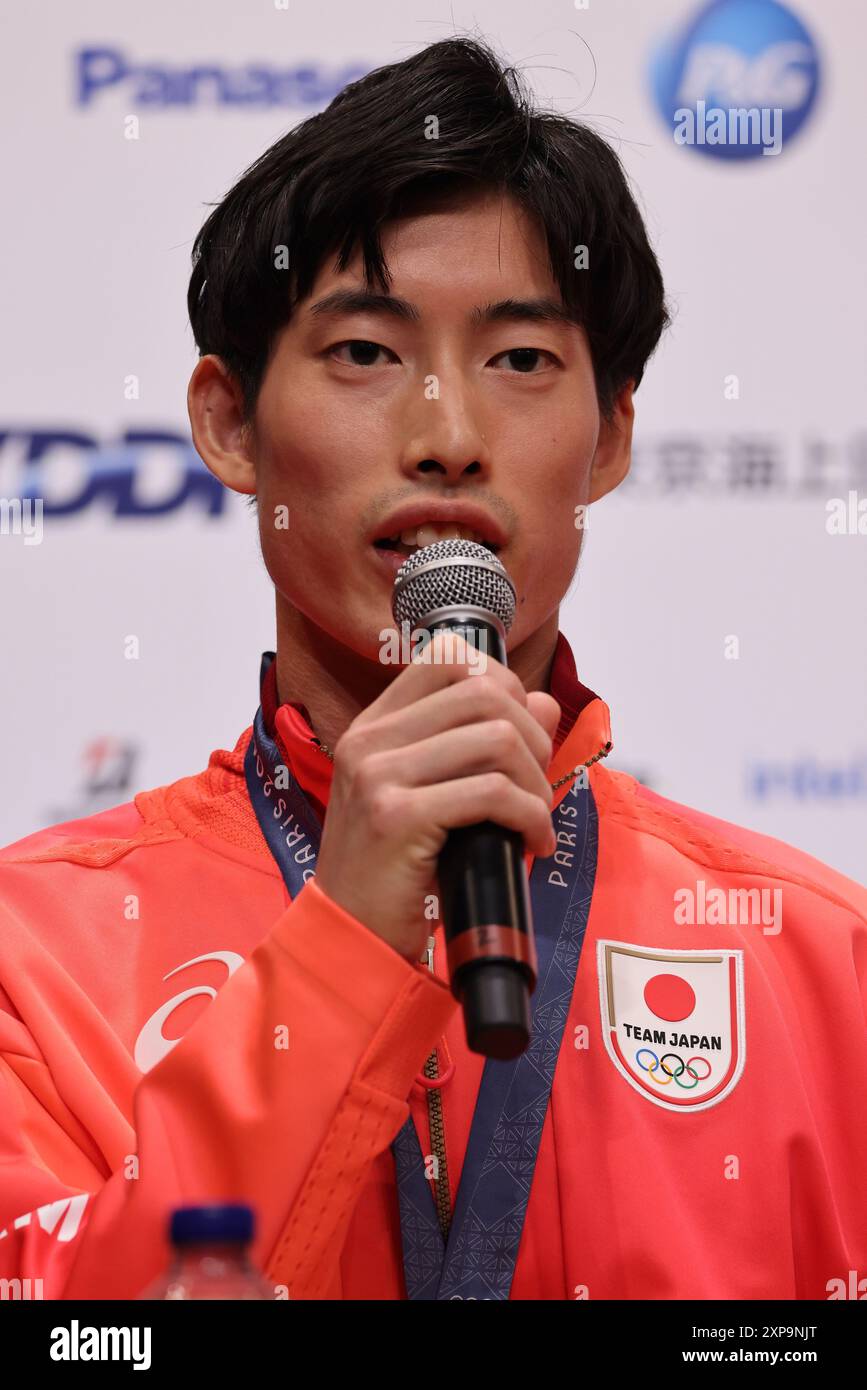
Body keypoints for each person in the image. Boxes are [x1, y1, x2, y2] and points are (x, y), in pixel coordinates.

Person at [1, 36, 864, 1303]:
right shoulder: (35, 956)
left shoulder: (820, 965)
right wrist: (342, 942)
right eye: (365, 353)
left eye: (521, 361)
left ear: (613, 434)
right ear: (229, 423)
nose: (449, 436)